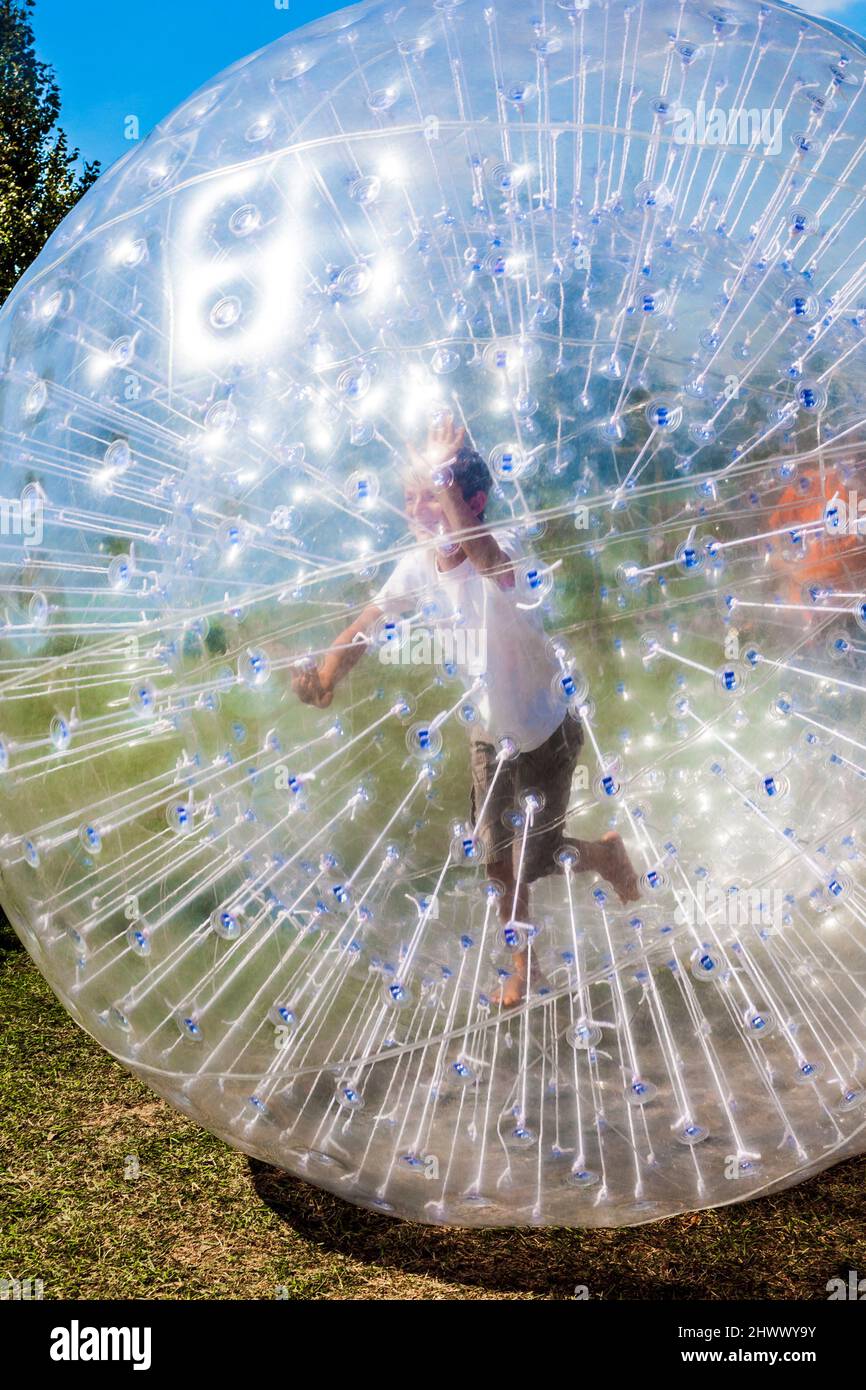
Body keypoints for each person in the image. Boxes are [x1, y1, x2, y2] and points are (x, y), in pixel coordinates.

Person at [292, 416, 640, 1006]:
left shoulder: (506, 552)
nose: (416, 508)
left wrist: (444, 478)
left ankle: (604, 855)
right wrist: (326, 676)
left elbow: (484, 557)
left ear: (471, 499)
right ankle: (521, 965)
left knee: (534, 857)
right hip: (490, 732)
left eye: (431, 494)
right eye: (411, 497)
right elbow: (364, 625)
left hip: (547, 726)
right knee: (499, 861)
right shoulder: (415, 564)